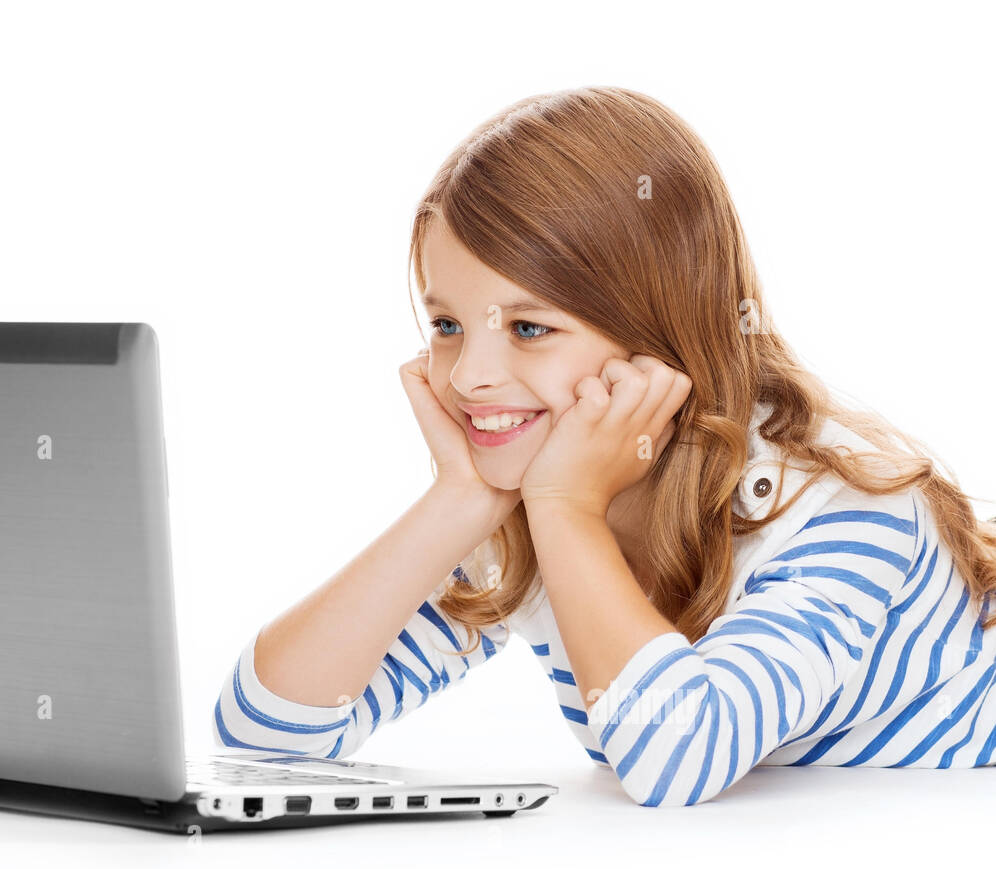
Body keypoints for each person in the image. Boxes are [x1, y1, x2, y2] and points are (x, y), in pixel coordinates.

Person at [211, 86, 996, 807]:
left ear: (659, 342)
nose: (472, 376)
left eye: (529, 328)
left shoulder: (844, 509)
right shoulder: (533, 511)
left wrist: (568, 510)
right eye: (448, 324)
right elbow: (264, 738)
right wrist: (459, 501)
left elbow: (680, 757)